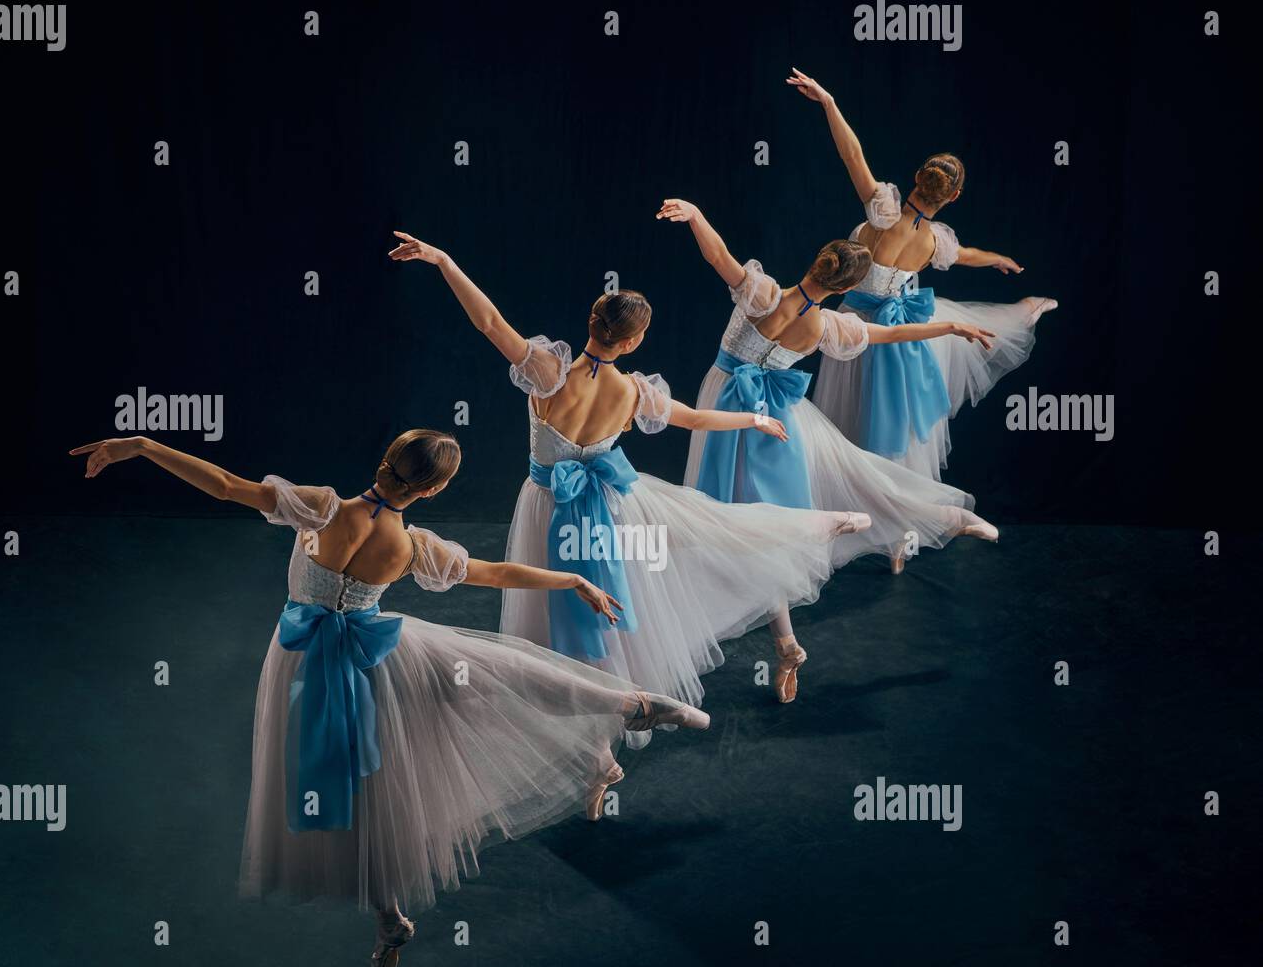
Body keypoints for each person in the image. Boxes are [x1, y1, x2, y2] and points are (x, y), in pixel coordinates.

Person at [69, 429, 708, 967]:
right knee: (500, 678)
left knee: (357, 794)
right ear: (429, 493)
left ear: (384, 463)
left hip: (306, 662)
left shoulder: (321, 508)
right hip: (378, 654)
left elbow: (227, 486)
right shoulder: (411, 545)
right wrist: (569, 578)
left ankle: (389, 917)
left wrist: (144, 446)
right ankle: (630, 703)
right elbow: (489, 572)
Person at [389, 231, 873, 708]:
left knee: (556, 596)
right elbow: (696, 418)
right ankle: (819, 527)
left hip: (545, 502)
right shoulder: (634, 394)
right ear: (634, 342)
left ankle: (581, 702)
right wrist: (755, 418)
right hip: (613, 504)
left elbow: (490, 322)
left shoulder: (546, 374)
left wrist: (444, 260)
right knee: (703, 535)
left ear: (592, 321)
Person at [662, 198, 999, 583]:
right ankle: (740, 573)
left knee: (825, 481)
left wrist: (696, 215)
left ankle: (943, 518)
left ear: (819, 260)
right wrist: (951, 327)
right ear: (850, 286)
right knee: (851, 478)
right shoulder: (825, 328)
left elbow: (718, 255)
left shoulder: (763, 295)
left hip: (731, 395)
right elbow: (893, 333)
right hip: (774, 411)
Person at [788, 66, 1057, 479]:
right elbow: (967, 255)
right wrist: (999, 259)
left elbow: (852, 154)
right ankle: (1025, 310)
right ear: (954, 197)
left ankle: (863, 503)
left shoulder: (883, 211)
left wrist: (829, 101)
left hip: (855, 325)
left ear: (916, 178)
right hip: (896, 330)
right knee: (898, 416)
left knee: (854, 419)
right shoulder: (935, 242)